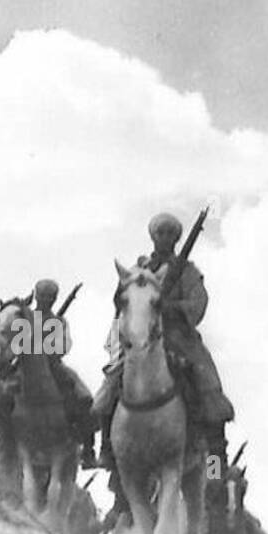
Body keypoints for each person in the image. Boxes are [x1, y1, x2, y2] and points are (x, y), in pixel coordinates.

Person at [92, 212, 235, 500]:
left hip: (180, 338)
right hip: (143, 337)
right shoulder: (139, 269)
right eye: (161, 234)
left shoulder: (189, 271)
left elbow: (198, 303)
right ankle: (107, 449)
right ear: (153, 237)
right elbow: (121, 298)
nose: (166, 239)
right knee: (111, 386)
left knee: (210, 392)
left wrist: (173, 308)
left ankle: (216, 468)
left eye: (171, 235)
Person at [25, 278, 99, 468]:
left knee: (83, 397)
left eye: (49, 298)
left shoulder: (58, 322)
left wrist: (49, 347)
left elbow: (63, 346)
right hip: (27, 364)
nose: (45, 301)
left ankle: (87, 450)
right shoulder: (25, 318)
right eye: (43, 296)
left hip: (51, 366)